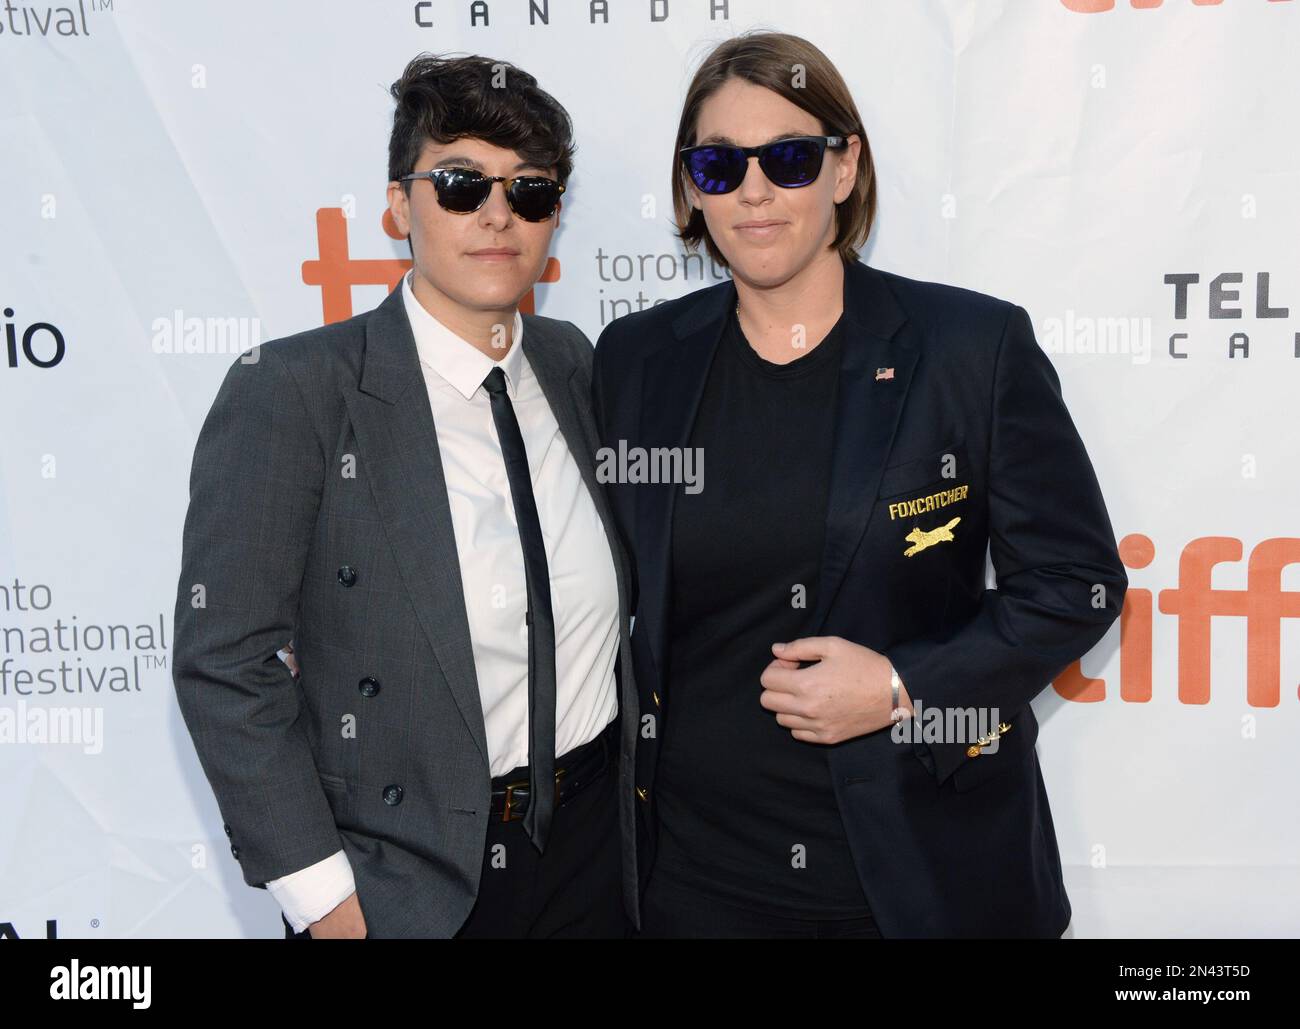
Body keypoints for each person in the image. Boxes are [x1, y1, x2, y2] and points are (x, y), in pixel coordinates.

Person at [591, 30, 1128, 938]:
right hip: (691, 883)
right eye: (720, 165)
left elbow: (1077, 585)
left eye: (791, 158)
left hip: (917, 875)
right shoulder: (639, 361)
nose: (754, 191)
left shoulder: (969, 349)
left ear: (845, 171)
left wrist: (901, 686)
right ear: (690, 187)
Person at [172, 53, 640, 939]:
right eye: (461, 184)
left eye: (530, 191)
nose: (499, 214)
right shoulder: (294, 391)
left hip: (596, 860)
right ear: (399, 206)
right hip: (410, 885)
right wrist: (325, 901)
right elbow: (224, 659)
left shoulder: (574, 362)